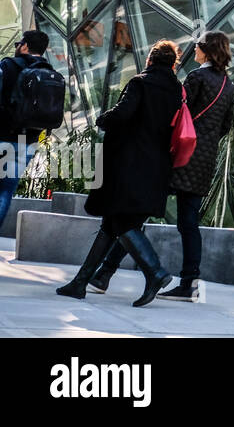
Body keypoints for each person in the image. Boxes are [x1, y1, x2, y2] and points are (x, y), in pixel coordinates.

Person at [88, 31, 234, 301]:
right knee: (189, 223)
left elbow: (175, 114)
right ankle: (189, 283)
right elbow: (226, 125)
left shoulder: (197, 77)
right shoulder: (228, 84)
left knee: (136, 215)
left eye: (199, 47)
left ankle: (104, 274)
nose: (195, 51)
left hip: (179, 157)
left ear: (207, 51)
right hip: (204, 161)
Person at [57, 40, 182, 307]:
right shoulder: (177, 90)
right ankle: (81, 282)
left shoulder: (141, 82)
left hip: (130, 163)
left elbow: (124, 113)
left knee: (122, 223)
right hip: (157, 165)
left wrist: (104, 119)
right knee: (111, 224)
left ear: (150, 59)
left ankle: (156, 271)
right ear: (173, 63)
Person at [0, 30, 55, 228]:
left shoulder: (8, 66)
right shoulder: (50, 72)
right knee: (6, 190)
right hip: (28, 141)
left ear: (24, 46)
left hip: (3, 135)